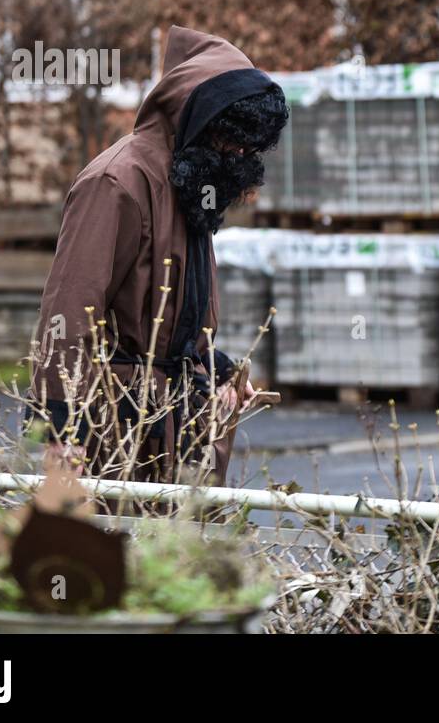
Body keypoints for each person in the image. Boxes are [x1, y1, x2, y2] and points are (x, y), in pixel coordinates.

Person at [30, 25, 289, 483]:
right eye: (230, 138)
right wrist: (61, 426)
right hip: (118, 427)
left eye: (247, 145)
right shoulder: (117, 182)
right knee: (114, 546)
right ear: (197, 121)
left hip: (180, 422)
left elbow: (174, 314)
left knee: (180, 552)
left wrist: (217, 367)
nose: (238, 154)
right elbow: (69, 309)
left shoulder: (189, 183)